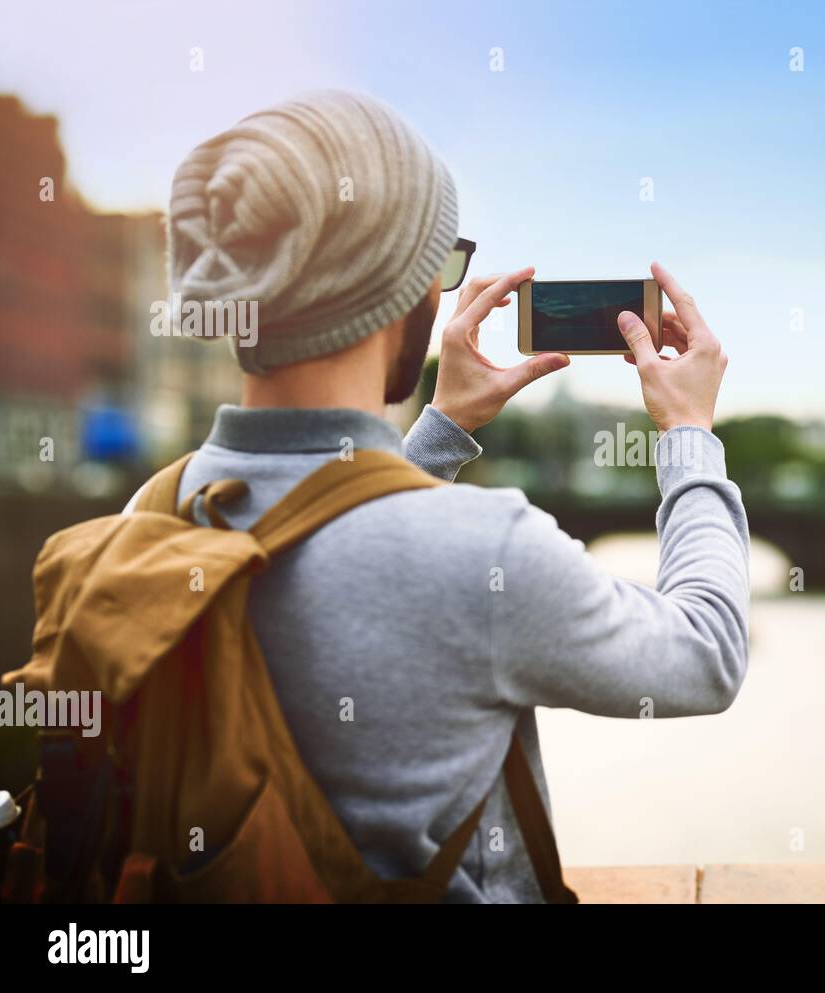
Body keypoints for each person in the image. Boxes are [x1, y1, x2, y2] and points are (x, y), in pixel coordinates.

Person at [129, 90, 750, 902]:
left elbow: (340, 535)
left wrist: (441, 428)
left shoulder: (159, 510)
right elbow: (705, 655)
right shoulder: (485, 551)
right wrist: (687, 432)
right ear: (399, 288)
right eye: (441, 264)